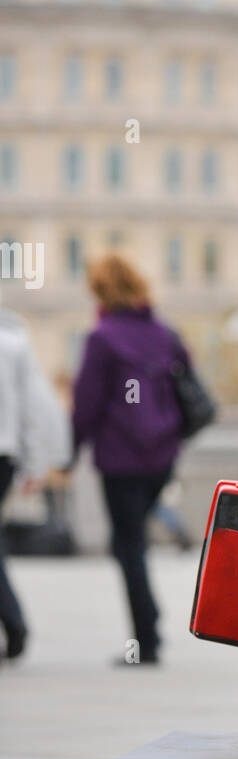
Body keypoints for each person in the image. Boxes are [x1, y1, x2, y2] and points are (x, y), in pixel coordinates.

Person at [72, 255, 189, 666]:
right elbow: (187, 389)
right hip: (162, 457)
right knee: (133, 540)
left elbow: (86, 405)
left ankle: (146, 639)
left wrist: (68, 452)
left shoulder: (102, 339)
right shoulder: (165, 334)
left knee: (127, 544)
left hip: (120, 457)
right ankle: (150, 620)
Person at [0, 299, 71, 661]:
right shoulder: (14, 338)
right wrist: (34, 463)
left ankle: (14, 625)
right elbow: (34, 406)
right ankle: (13, 624)